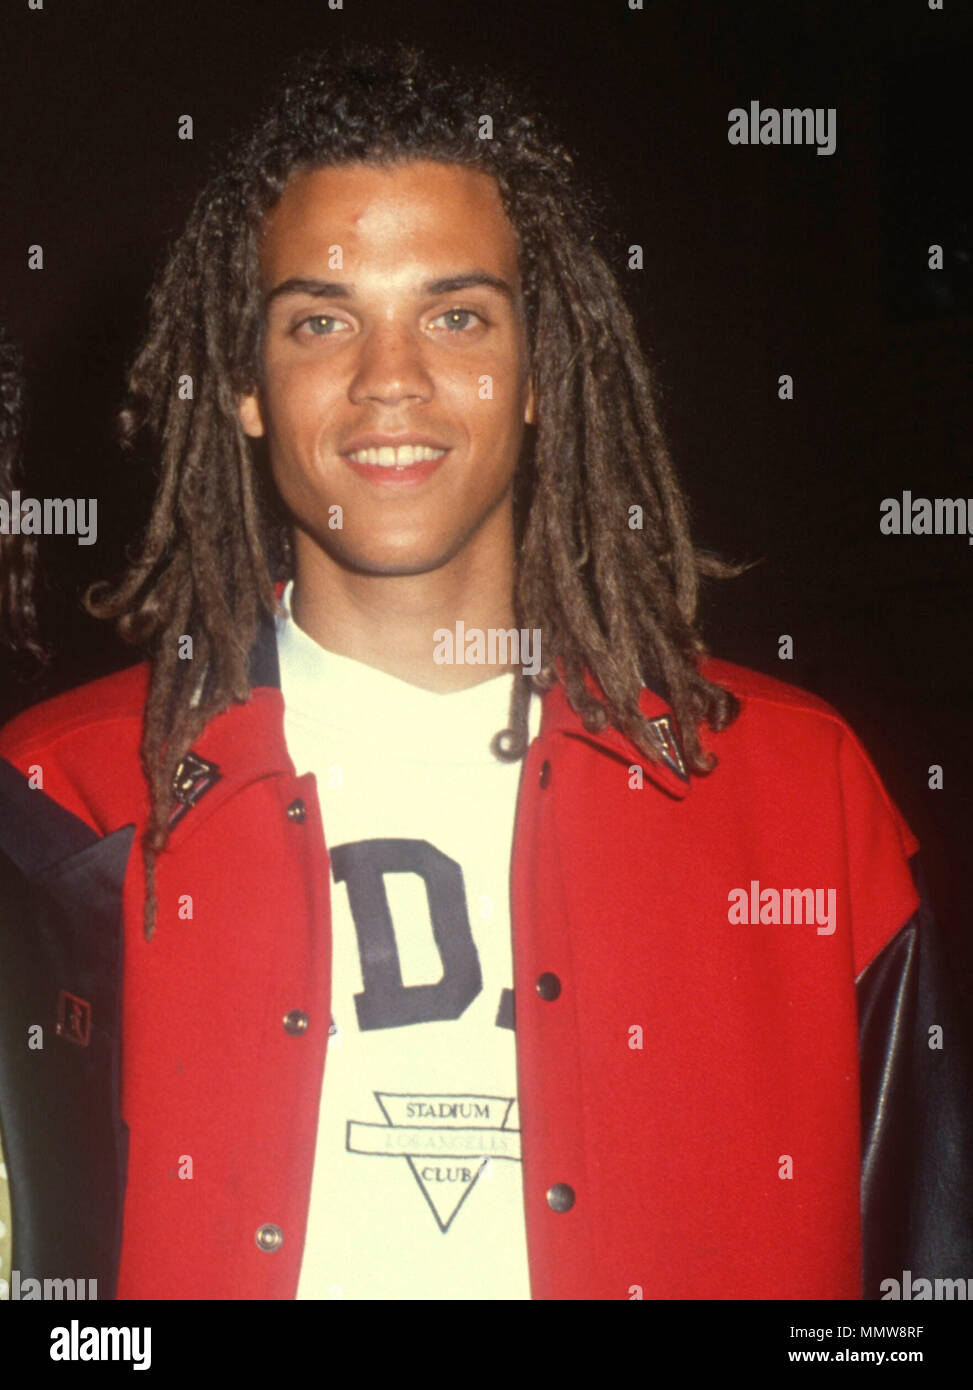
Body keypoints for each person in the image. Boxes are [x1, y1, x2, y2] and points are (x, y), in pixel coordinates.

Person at [0, 41, 969, 1302]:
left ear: (534, 372)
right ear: (243, 383)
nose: (388, 380)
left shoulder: (802, 794)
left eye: (455, 314)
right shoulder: (54, 802)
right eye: (320, 320)